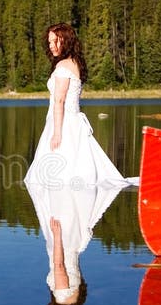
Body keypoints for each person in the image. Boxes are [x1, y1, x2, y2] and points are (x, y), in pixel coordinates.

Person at [24, 23, 137, 189]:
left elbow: (59, 101)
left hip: (63, 123)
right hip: (73, 121)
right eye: (49, 42)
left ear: (67, 41)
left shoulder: (63, 66)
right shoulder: (74, 62)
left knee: (56, 175)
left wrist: (56, 133)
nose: (52, 46)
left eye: (56, 41)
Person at [27, 178, 122, 305]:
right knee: (61, 190)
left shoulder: (76, 299)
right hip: (63, 241)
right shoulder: (62, 296)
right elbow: (59, 266)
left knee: (72, 193)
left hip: (72, 243)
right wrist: (57, 236)